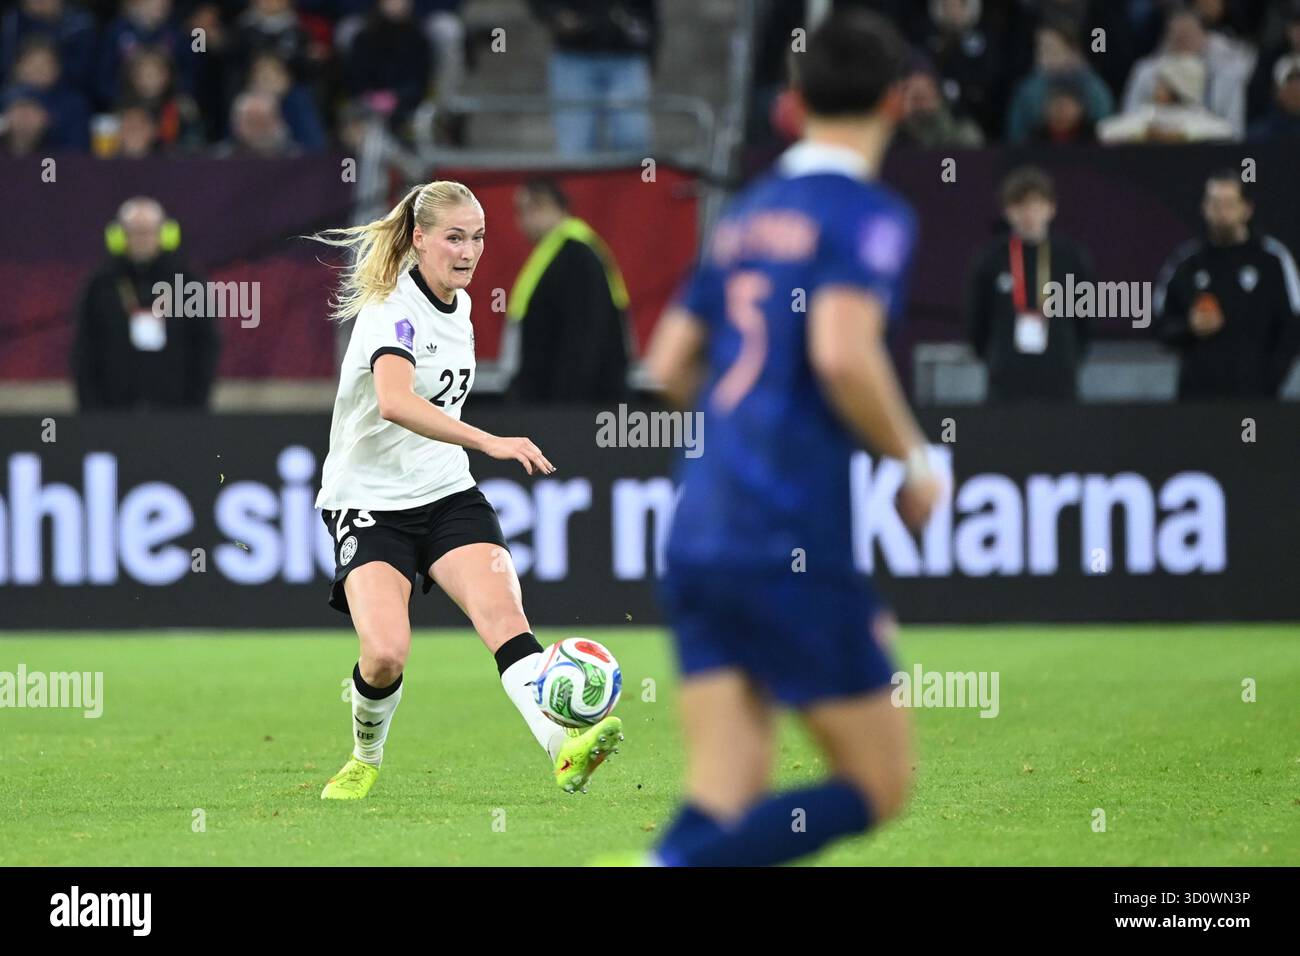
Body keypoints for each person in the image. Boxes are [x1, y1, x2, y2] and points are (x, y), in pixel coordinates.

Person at [637, 9, 941, 867]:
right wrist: (913, 462)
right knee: (878, 783)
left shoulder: (747, 213)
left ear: (794, 103)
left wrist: (745, 426)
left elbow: (665, 364)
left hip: (701, 525)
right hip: (790, 531)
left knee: (722, 789)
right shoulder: (866, 214)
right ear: (897, 100)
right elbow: (842, 353)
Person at [308, 181, 623, 800]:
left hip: (447, 493)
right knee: (386, 655)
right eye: (455, 237)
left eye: (477, 237)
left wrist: (465, 453)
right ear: (419, 239)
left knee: (505, 620)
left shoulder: (462, 305)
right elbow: (396, 404)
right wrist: (490, 441)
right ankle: (365, 756)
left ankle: (564, 749)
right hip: (369, 504)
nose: (469, 250)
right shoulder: (390, 309)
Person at [1154, 171, 1300, 400]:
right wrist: (1189, 327)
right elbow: (1160, 324)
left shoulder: (1272, 260)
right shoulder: (1187, 262)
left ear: (1247, 209)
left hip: (1256, 400)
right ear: (1204, 207)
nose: (1221, 213)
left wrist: (1269, 382)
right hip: (1196, 401)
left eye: (1229, 204)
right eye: (1215, 203)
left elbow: (1292, 327)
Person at [70, 197, 220, 410]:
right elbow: (84, 348)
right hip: (113, 412)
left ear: (165, 235)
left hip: (177, 412)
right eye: (135, 232)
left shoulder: (188, 283)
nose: (142, 239)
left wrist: (196, 406)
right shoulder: (101, 284)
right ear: (119, 236)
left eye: (149, 232)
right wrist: (92, 408)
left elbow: (206, 346)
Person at [966, 167, 1093, 402]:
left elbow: (1085, 321)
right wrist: (996, 357)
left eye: (1036, 205)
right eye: (1020, 206)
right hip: (1006, 380)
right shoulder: (991, 258)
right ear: (1007, 211)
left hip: (1059, 377)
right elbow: (976, 322)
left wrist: (1069, 355)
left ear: (1051, 208)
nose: (1029, 213)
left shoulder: (1071, 257)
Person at [503, 178, 630, 403]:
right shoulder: (557, 253)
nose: (521, 221)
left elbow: (585, 337)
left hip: (573, 406)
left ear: (549, 206)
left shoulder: (576, 255)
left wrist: (566, 405)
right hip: (562, 401)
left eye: (528, 210)